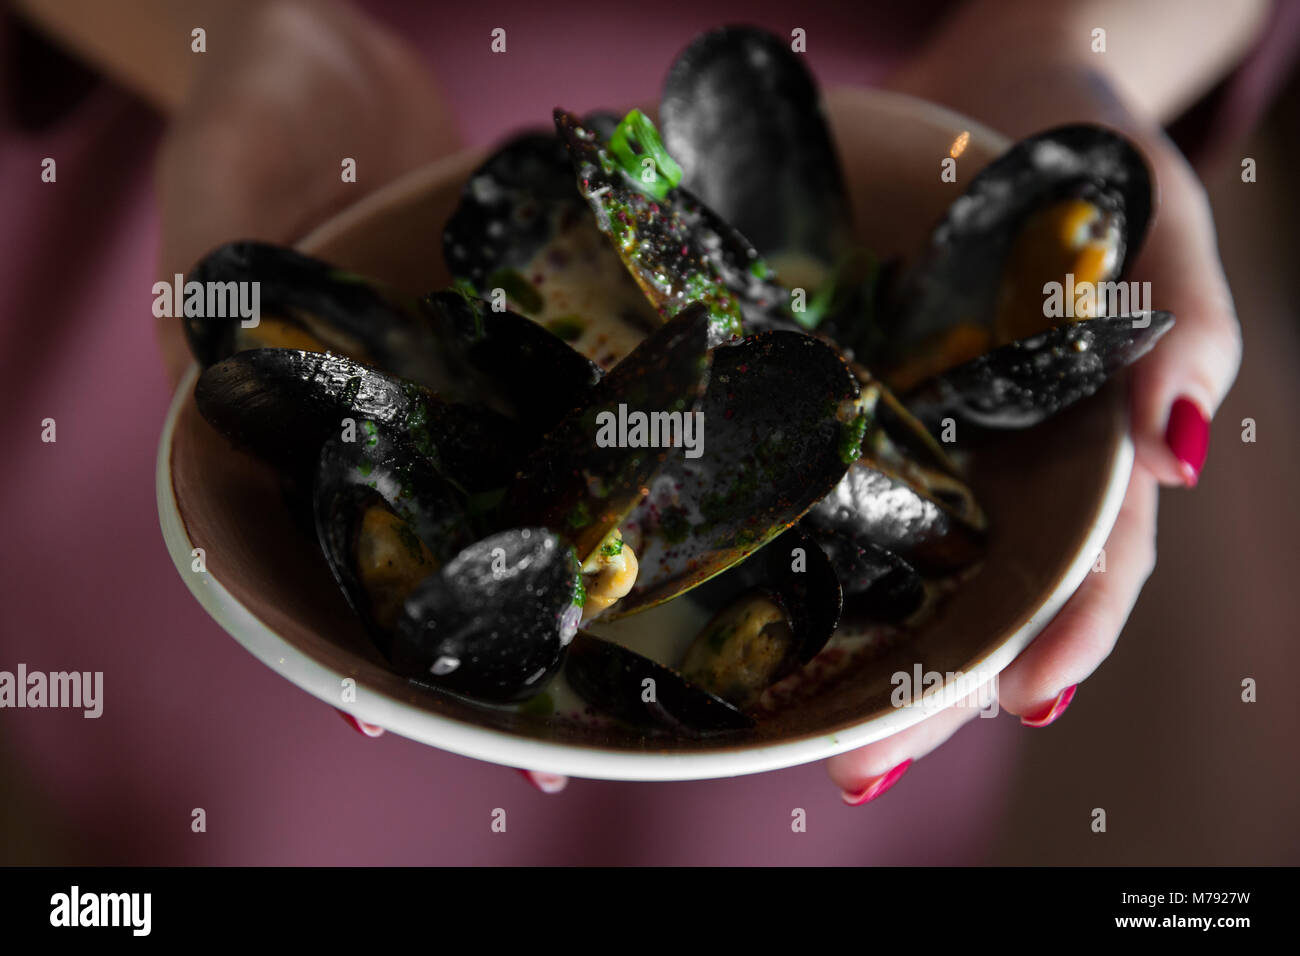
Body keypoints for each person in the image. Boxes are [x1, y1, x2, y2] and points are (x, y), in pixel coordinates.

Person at [3, 0, 1278, 837]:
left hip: (879, 183)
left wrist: (1072, 35)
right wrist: (238, 36)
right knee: (242, 818)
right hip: (213, 154)